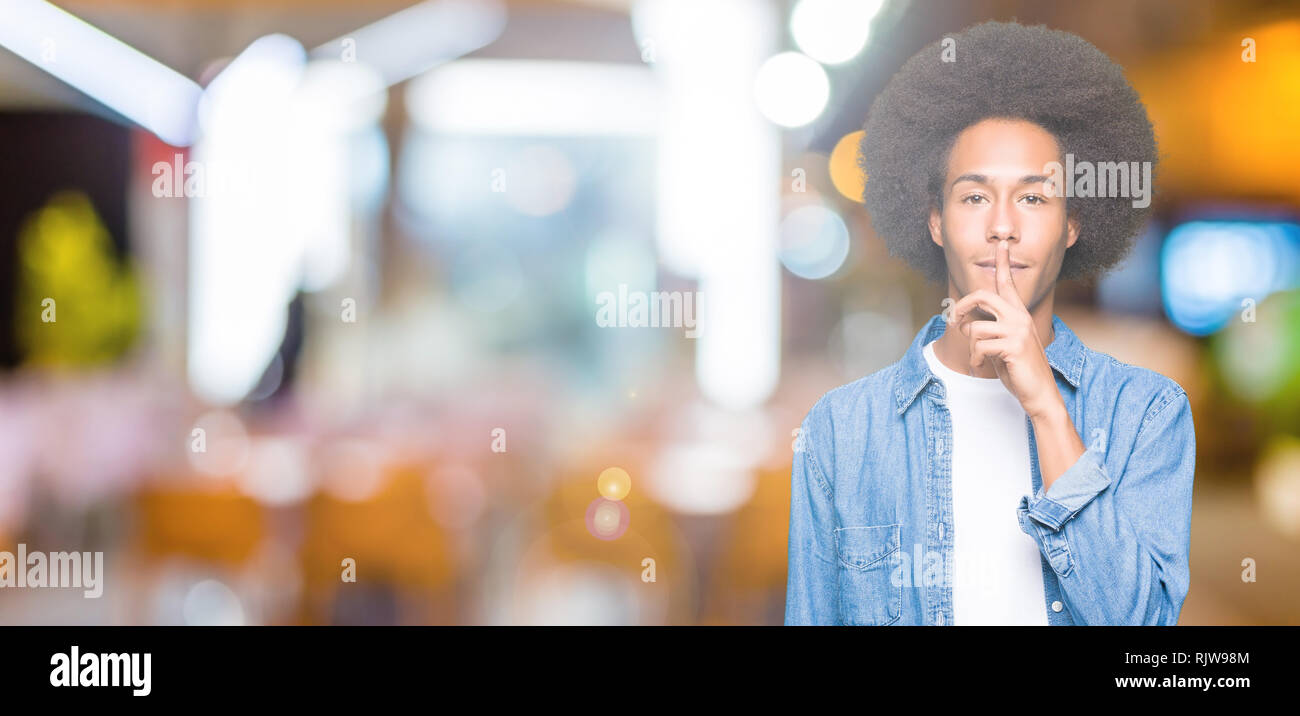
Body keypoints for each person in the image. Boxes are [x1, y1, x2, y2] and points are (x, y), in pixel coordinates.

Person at [784, 20, 1194, 625]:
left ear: (1073, 225)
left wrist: (1048, 410)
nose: (1003, 225)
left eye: (1033, 197)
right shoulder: (840, 434)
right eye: (975, 197)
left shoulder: (1146, 414)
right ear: (935, 223)